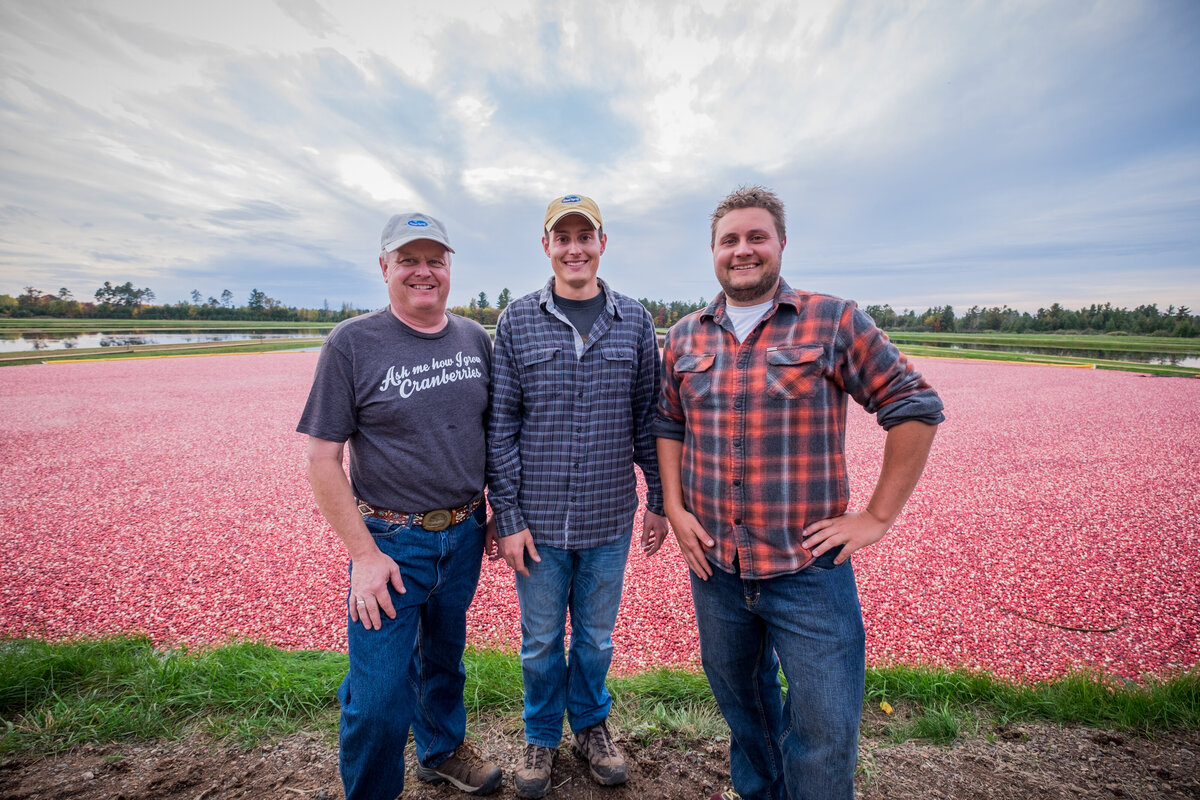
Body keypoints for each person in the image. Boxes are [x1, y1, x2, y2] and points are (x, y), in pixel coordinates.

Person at [653, 186, 945, 800]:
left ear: (781, 243)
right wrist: (674, 508)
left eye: (756, 237)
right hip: (717, 568)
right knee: (746, 714)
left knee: (825, 728)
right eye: (729, 240)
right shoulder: (684, 337)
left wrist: (876, 516)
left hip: (808, 568)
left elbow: (913, 404)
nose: (743, 250)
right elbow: (668, 424)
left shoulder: (832, 320)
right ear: (713, 251)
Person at [297, 212, 502, 799]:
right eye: (408, 260)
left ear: (449, 267)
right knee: (379, 695)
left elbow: (490, 433)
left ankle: (441, 751)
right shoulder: (351, 343)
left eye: (435, 259)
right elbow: (323, 459)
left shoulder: (474, 339)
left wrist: (496, 511)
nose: (423, 271)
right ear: (384, 267)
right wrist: (364, 556)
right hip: (391, 543)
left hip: (464, 531)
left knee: (444, 660)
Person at [487, 194, 670, 798]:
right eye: (561, 238)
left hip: (608, 519)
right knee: (540, 641)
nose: (574, 249)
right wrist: (507, 515)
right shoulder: (516, 321)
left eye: (584, 236)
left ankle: (591, 727)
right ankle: (541, 735)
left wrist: (659, 500)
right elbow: (501, 426)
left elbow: (647, 420)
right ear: (546, 246)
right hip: (536, 524)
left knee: (595, 640)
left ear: (601, 243)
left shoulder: (634, 321)